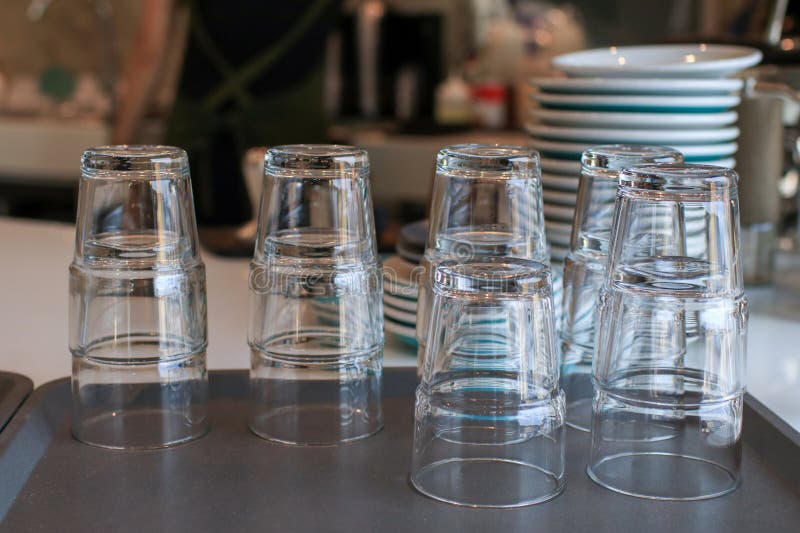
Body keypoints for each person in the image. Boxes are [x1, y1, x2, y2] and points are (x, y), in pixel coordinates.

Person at [114, 0, 339, 226]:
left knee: (191, 243)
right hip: (295, 156)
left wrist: (117, 162)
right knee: (295, 241)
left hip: (202, 159)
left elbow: (149, 50)